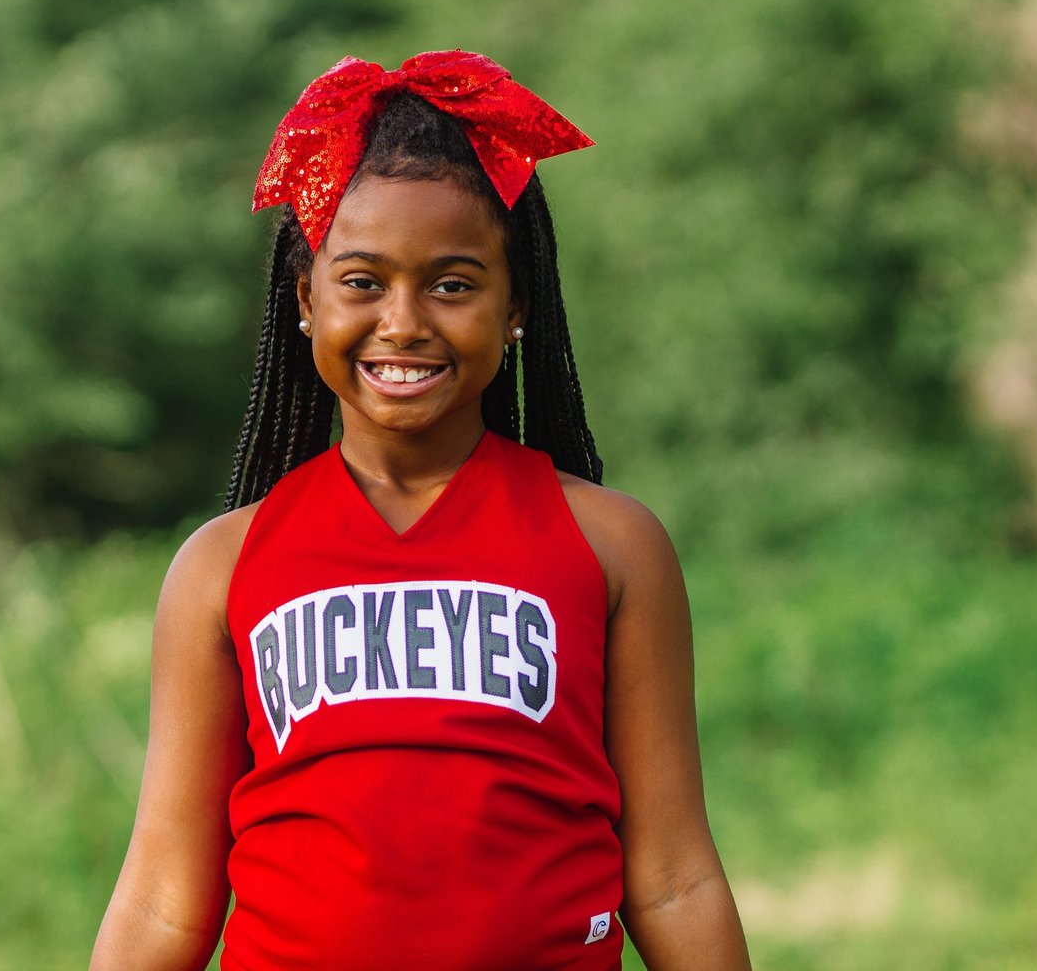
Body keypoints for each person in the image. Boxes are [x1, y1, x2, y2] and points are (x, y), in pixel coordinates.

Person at [90, 50, 751, 971]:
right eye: (362, 281)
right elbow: (164, 898)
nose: (403, 322)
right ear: (306, 302)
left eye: (452, 284)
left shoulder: (611, 544)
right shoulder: (222, 566)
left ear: (517, 303)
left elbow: (675, 876)